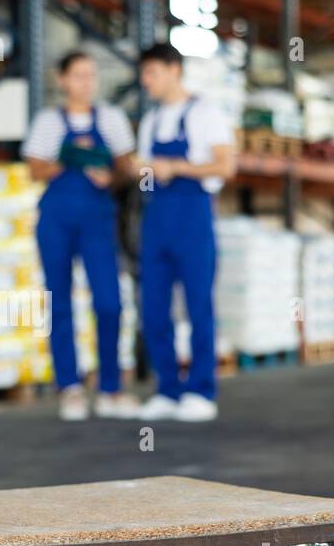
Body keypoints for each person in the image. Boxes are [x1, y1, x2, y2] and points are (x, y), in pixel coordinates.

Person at [22, 51, 139, 421]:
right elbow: (34, 169)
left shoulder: (112, 119)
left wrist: (110, 177)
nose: (86, 83)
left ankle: (110, 387)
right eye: (78, 76)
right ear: (62, 79)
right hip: (56, 217)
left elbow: (128, 167)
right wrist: (67, 160)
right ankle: (70, 387)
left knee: (108, 301)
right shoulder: (47, 122)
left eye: (91, 75)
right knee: (59, 302)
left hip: (97, 218)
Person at [131, 43, 236, 422]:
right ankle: (167, 389)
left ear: (174, 70)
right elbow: (146, 178)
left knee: (198, 305)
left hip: (192, 219)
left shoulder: (206, 114)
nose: (146, 81)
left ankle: (201, 390)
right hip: (156, 220)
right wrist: (141, 172)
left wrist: (175, 167)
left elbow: (225, 166)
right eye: (144, 74)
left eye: (151, 73)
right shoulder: (150, 122)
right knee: (154, 308)